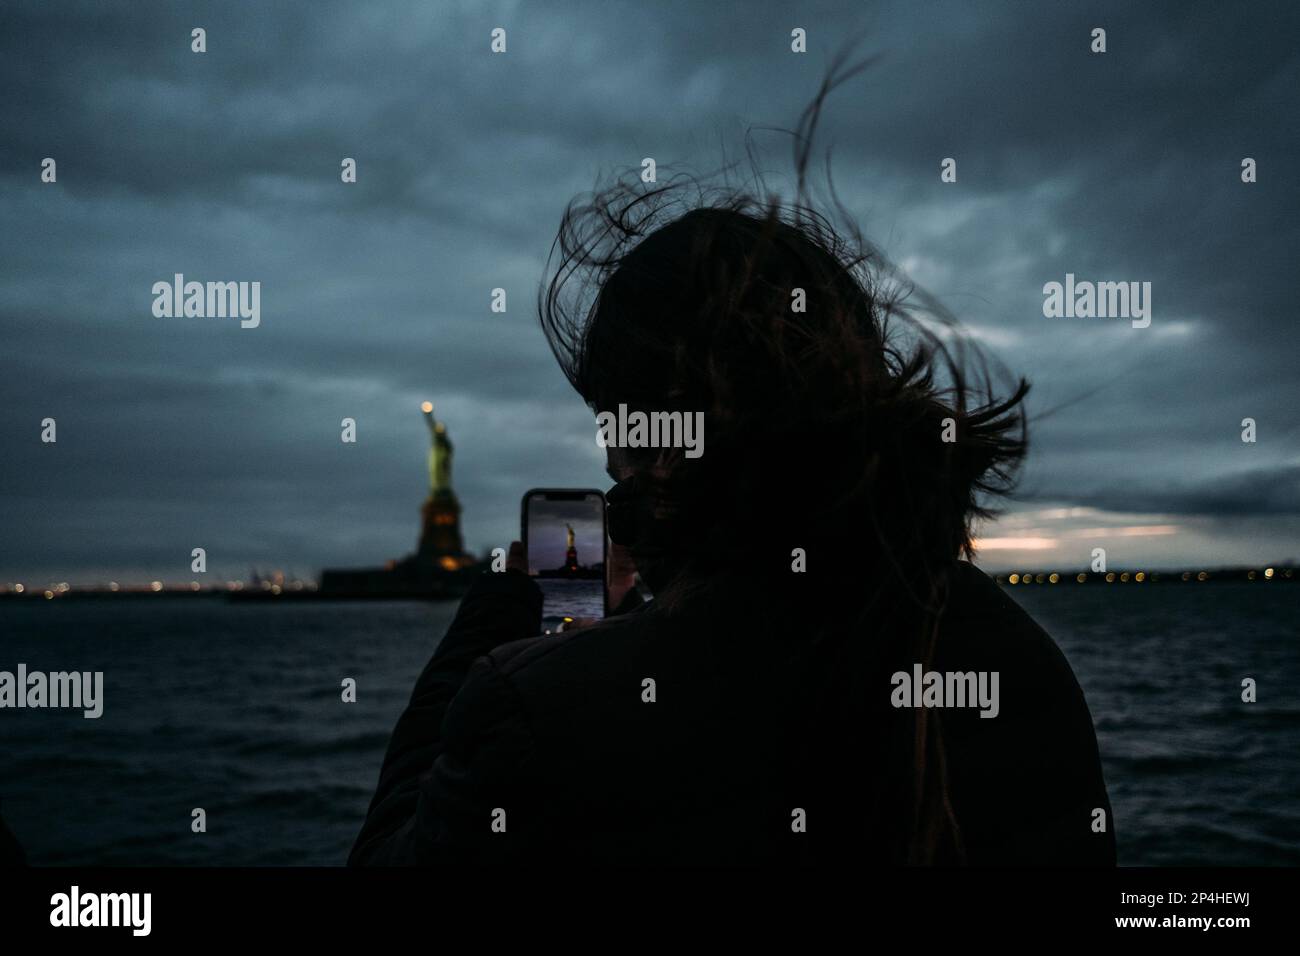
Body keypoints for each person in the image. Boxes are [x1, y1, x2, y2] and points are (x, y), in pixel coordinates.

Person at [349, 66, 1115, 866]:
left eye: (615, 419)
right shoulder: (1024, 666)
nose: (609, 453)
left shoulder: (539, 712)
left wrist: (500, 613)